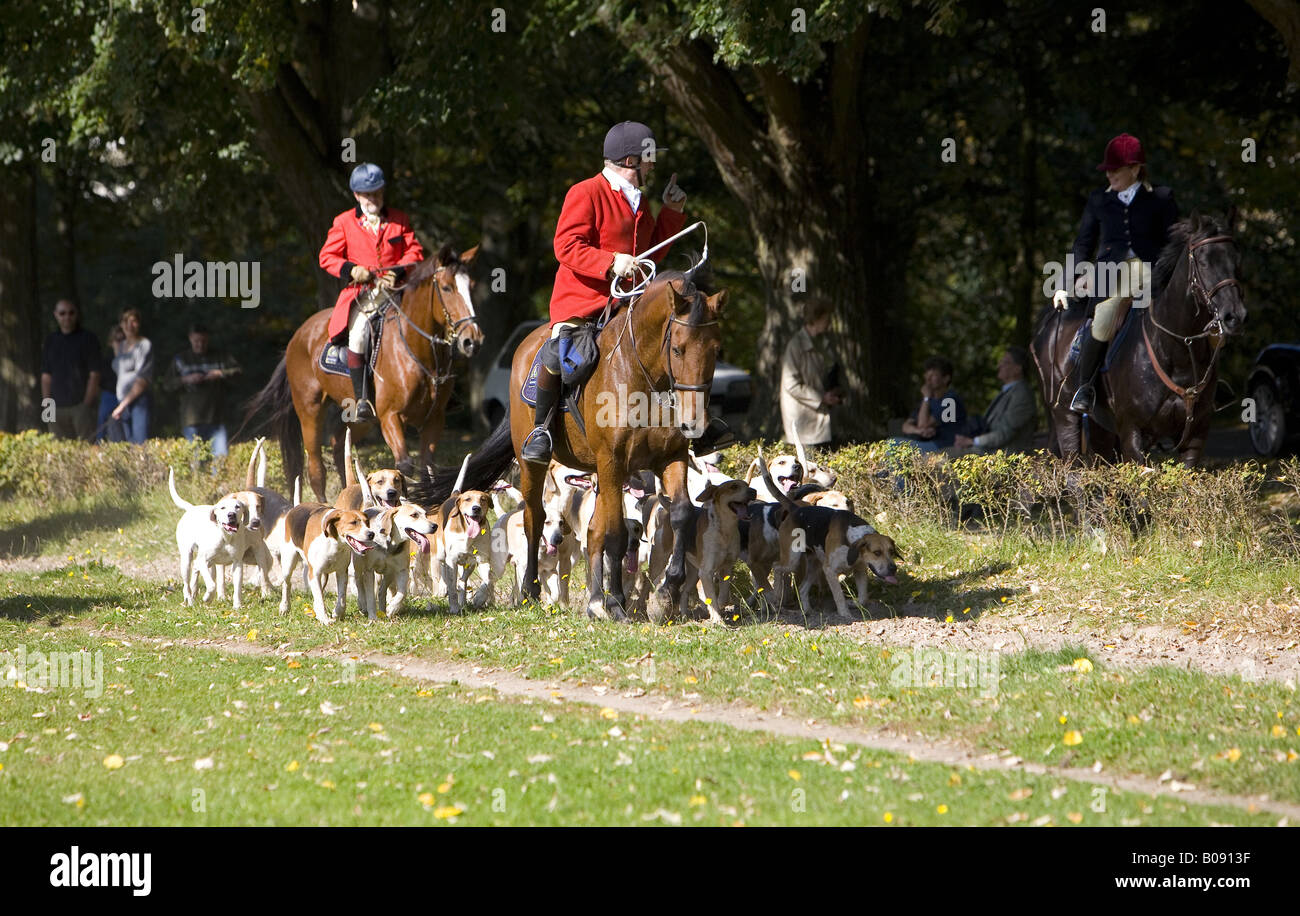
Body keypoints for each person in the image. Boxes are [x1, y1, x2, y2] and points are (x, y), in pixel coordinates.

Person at [521, 120, 690, 464]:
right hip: (583, 304)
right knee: (558, 353)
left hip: (629, 304)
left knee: (679, 343)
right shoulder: (585, 192)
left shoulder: (639, 201)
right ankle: (541, 430)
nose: (653, 165)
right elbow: (565, 246)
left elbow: (649, 257)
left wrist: (671, 214)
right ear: (630, 162)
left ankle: (692, 426)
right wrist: (611, 262)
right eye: (648, 159)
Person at [1054, 133, 1179, 414]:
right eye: (1107, 170)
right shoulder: (1099, 199)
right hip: (1112, 275)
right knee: (1105, 317)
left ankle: (1209, 382)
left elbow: (1175, 242)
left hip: (1154, 271)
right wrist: (1064, 284)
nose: (1109, 175)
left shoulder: (1160, 197)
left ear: (1135, 169)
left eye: (1116, 170)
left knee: (1192, 309)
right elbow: (1083, 243)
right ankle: (1085, 387)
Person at [319, 163, 426, 420]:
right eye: (368, 195)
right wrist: (350, 269)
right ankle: (362, 399)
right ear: (356, 195)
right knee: (358, 334)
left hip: (398, 290)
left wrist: (399, 271)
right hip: (364, 293)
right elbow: (327, 256)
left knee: (430, 321)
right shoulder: (343, 222)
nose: (373, 199)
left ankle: (440, 389)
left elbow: (415, 252)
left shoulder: (399, 219)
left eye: (377, 193)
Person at [164, 322, 242, 456]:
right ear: (190, 338)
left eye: (203, 341)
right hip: (191, 419)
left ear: (208, 339)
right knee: (196, 460)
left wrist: (220, 373)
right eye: (197, 341)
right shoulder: (181, 359)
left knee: (220, 457)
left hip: (216, 418)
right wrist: (186, 379)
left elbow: (238, 371)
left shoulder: (220, 356)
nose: (200, 344)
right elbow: (167, 384)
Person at [951, 347, 1037, 455]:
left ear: (1018, 369)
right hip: (989, 452)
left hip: (1003, 456)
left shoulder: (1021, 394)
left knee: (936, 461)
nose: (999, 366)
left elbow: (1004, 433)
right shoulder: (1008, 392)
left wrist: (972, 441)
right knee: (934, 458)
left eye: (1005, 362)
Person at [780, 299, 842, 448]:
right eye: (827, 319)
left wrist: (834, 391)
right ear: (816, 319)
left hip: (819, 420)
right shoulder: (796, 345)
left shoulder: (822, 342)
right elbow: (792, 384)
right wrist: (821, 397)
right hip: (804, 423)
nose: (829, 323)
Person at [39, 299, 102, 440]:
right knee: (58, 453)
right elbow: (46, 376)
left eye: (71, 313)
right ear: (56, 315)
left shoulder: (88, 338)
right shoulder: (50, 340)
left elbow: (95, 374)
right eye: (62, 313)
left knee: (86, 451)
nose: (67, 316)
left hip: (80, 407)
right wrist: (47, 405)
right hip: (55, 408)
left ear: (76, 314)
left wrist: (86, 404)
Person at [900, 355, 966, 451]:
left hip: (945, 446)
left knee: (894, 446)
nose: (928, 379)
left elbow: (923, 424)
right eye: (927, 375)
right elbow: (906, 426)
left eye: (933, 375)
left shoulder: (951, 401)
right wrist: (918, 431)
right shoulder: (927, 401)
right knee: (892, 444)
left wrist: (926, 397)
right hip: (927, 444)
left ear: (946, 378)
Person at [109, 308, 154, 443]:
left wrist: (122, 405)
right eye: (125, 321)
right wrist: (117, 351)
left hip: (138, 401)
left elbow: (142, 379)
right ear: (121, 324)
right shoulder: (121, 345)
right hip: (121, 400)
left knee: (140, 445)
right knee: (125, 446)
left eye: (133, 321)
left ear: (138, 323)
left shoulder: (144, 345)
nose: (129, 325)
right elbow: (120, 373)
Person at [95, 325, 123, 442]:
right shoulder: (105, 361)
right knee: (103, 426)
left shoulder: (132, 360)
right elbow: (100, 383)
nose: (120, 343)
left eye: (123, 339)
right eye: (117, 340)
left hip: (127, 397)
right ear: (111, 342)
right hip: (109, 396)